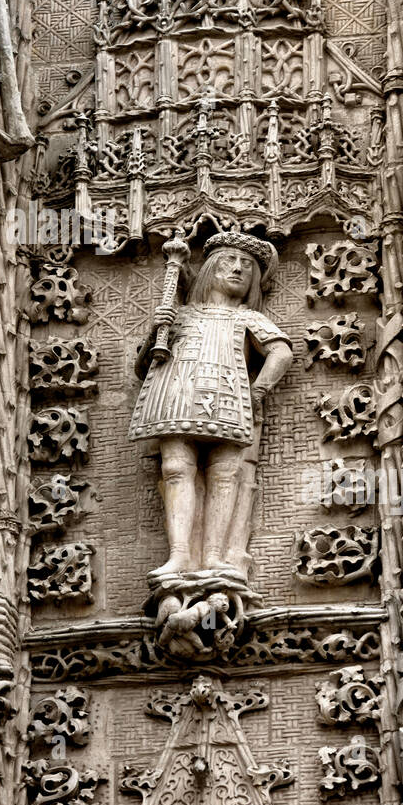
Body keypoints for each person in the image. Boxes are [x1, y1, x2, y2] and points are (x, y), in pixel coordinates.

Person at [130, 231, 292, 582]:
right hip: (177, 396)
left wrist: (257, 391)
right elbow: (145, 367)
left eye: (246, 266)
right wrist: (155, 332)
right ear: (209, 270)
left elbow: (281, 351)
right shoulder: (181, 315)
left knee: (224, 474)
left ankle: (215, 555)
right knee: (174, 467)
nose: (237, 269)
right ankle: (180, 555)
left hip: (229, 398)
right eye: (228, 262)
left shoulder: (246, 317)